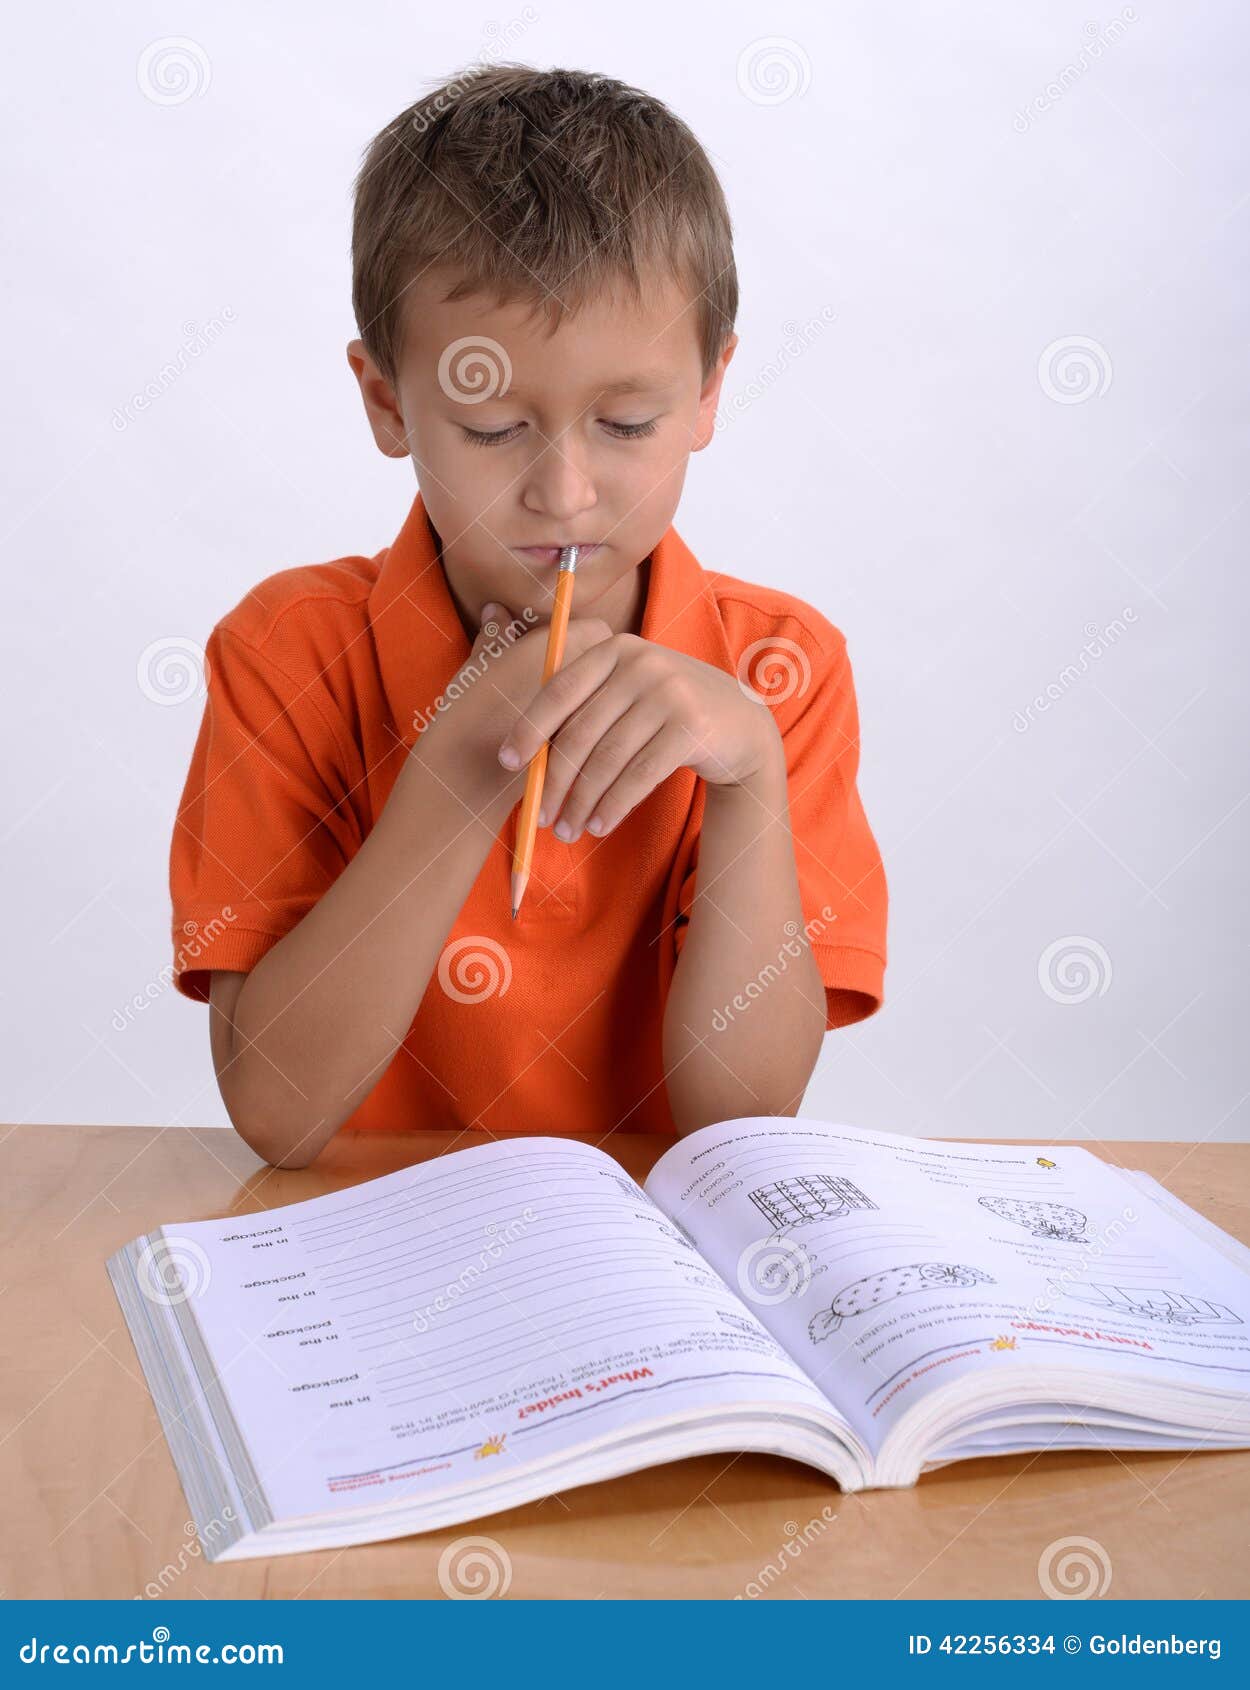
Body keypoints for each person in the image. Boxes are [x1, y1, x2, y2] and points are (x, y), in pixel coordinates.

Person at [169, 65, 888, 1167]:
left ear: (705, 396)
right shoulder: (287, 650)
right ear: (386, 401)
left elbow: (738, 1125)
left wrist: (746, 782)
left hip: (657, 1288)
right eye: (495, 427)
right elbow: (279, 1115)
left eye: (627, 422)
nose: (563, 493)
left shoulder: (778, 668)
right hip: (366, 1267)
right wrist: (463, 768)